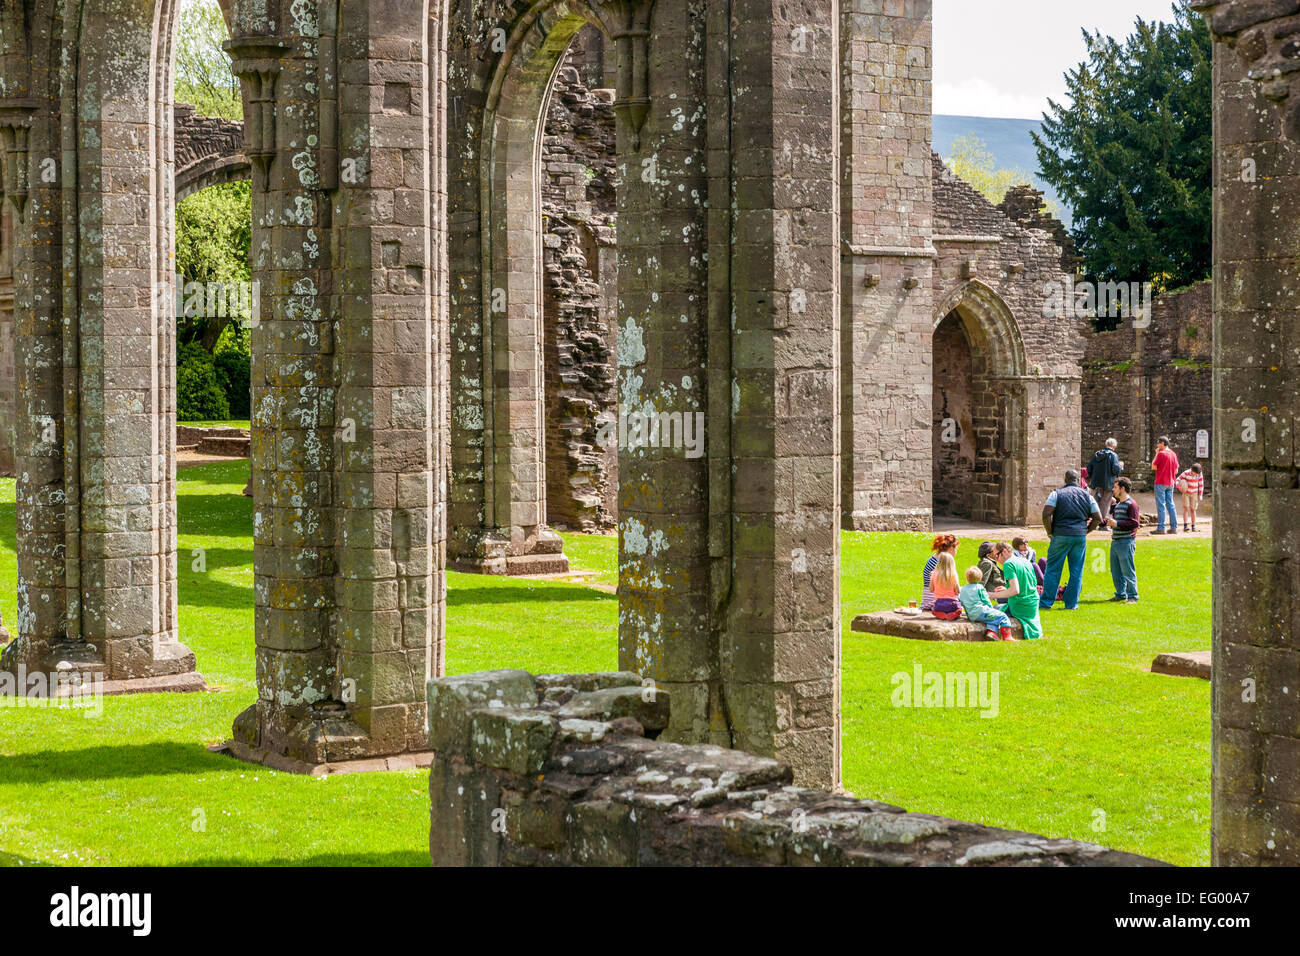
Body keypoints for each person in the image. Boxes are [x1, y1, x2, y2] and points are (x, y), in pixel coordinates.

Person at [1040, 469, 1102, 610]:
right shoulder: (1087, 496)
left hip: (1060, 534)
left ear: (1065, 479)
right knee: (1076, 571)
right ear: (1078, 479)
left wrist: (1050, 532)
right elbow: (1098, 517)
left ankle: (1046, 602)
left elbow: (1046, 515)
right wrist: (1087, 530)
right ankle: (1072, 603)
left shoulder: (1056, 494)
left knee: (1053, 569)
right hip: (1079, 536)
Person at [988, 541, 1043, 640]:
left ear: (1004, 551)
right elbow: (1029, 585)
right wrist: (1006, 589)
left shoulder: (1008, 564)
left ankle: (994, 634)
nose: (997, 560)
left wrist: (991, 595)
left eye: (997, 556)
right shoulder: (1025, 561)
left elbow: (1015, 591)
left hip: (1020, 607)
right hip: (1033, 604)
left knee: (993, 609)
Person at [1106, 477, 1140, 603]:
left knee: (1127, 571)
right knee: (1116, 571)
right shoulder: (1118, 504)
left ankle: (1132, 596)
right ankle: (1120, 594)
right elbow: (1114, 521)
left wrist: (1117, 523)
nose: (1113, 490)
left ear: (1122, 488)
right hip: (1115, 541)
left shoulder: (1132, 504)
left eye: (1115, 487)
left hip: (1126, 542)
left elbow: (1134, 523)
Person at [960, 566, 1016, 641]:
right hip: (981, 613)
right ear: (980, 578)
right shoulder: (979, 587)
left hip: (972, 616)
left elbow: (962, 602)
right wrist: (991, 608)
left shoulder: (963, 589)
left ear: (967, 578)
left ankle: (991, 633)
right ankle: (1007, 637)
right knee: (1003, 617)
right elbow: (986, 600)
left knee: (993, 618)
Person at [1087, 438, 1124, 521]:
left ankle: (1095, 520)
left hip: (1097, 482)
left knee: (1099, 501)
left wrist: (1093, 477)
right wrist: (1121, 466)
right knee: (1106, 502)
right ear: (1114, 446)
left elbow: (1089, 468)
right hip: (1109, 483)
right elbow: (1115, 470)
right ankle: (1102, 524)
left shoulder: (1097, 454)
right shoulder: (1113, 455)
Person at [1151, 436, 1180, 534]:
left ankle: (1161, 528)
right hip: (1171, 482)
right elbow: (1176, 471)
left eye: (1158, 443)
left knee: (1161, 505)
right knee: (1171, 505)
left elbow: (1153, 467)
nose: (1157, 445)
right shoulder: (1173, 454)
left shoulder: (1161, 454)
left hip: (1160, 482)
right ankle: (1174, 527)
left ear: (1163, 443)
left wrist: (1156, 454)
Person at [921, 534, 959, 610]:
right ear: (951, 548)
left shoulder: (935, 558)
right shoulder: (943, 563)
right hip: (935, 599)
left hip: (927, 597)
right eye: (955, 548)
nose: (956, 551)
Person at [930, 552, 962, 620]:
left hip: (938, 604)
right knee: (958, 606)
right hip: (952, 604)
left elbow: (931, 589)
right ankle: (953, 614)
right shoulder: (953, 574)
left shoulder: (933, 574)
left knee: (935, 608)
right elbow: (957, 591)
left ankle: (938, 613)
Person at [1177, 462, 1205, 533]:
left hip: (1194, 493)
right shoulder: (1186, 473)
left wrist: (1200, 494)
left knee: (1193, 509)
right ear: (1191, 470)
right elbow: (1177, 480)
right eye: (1194, 473)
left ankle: (1193, 526)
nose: (1195, 475)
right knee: (1186, 508)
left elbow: (1201, 484)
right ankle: (1185, 526)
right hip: (1186, 493)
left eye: (1196, 474)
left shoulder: (1199, 473)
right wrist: (1179, 487)